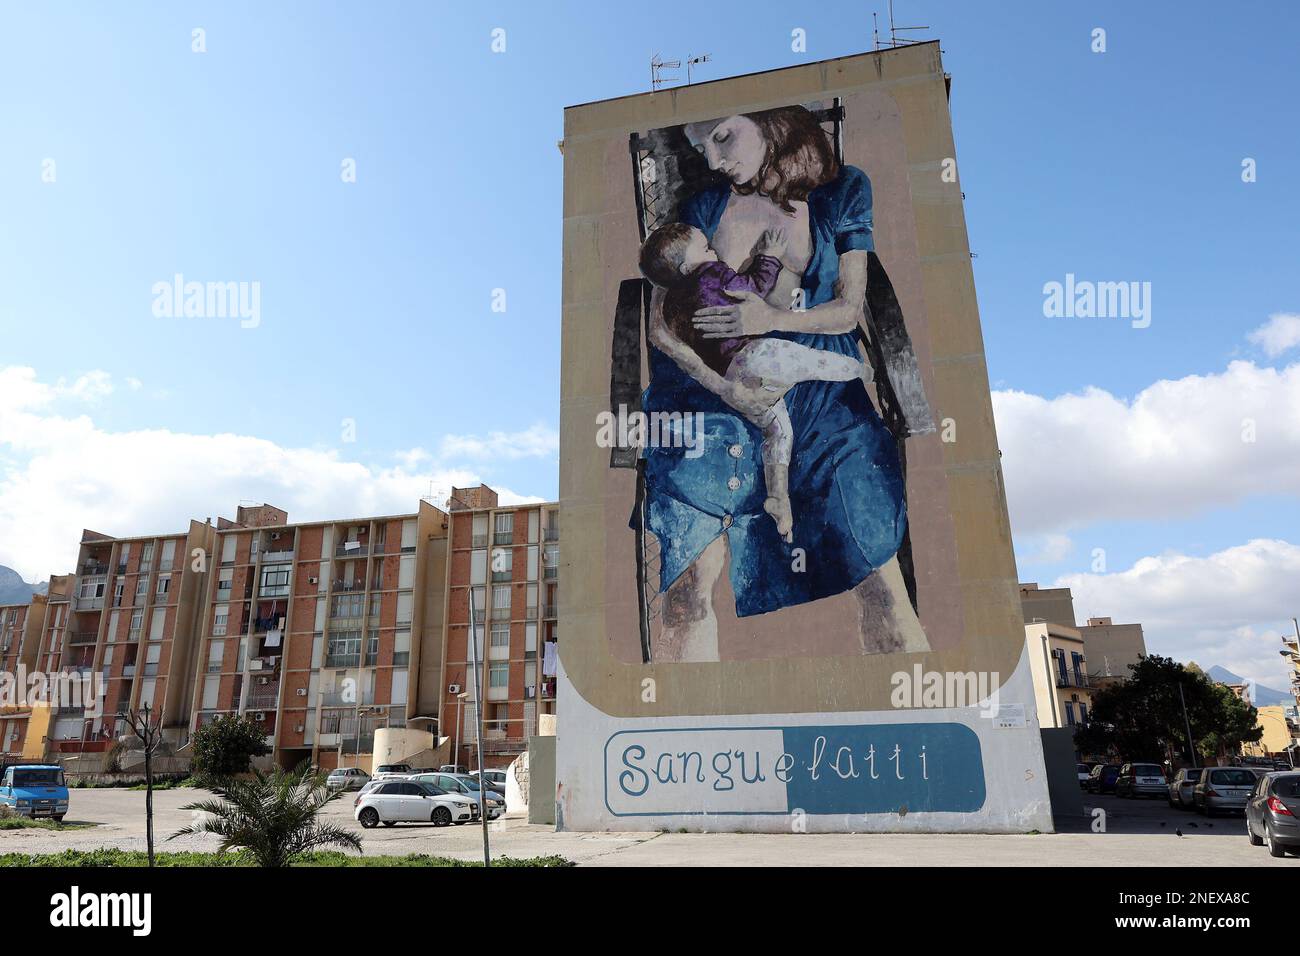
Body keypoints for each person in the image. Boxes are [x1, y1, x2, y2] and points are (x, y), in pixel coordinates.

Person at [639, 105, 931, 662]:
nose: (716, 160)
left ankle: (920, 733)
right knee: (686, 585)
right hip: (712, 393)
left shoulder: (843, 190)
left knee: (877, 569)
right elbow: (658, 326)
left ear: (770, 123)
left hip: (819, 381)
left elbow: (848, 309)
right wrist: (722, 387)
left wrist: (769, 320)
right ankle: (686, 738)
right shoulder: (703, 208)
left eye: (723, 137)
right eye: (702, 150)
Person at [639, 220, 865, 542]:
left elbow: (682, 345)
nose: (713, 250)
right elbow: (753, 287)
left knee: (777, 431)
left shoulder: (673, 308)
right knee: (807, 361)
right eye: (705, 248)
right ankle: (858, 370)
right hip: (753, 355)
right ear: (689, 266)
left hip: (731, 377)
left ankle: (778, 498)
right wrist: (769, 256)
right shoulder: (712, 274)